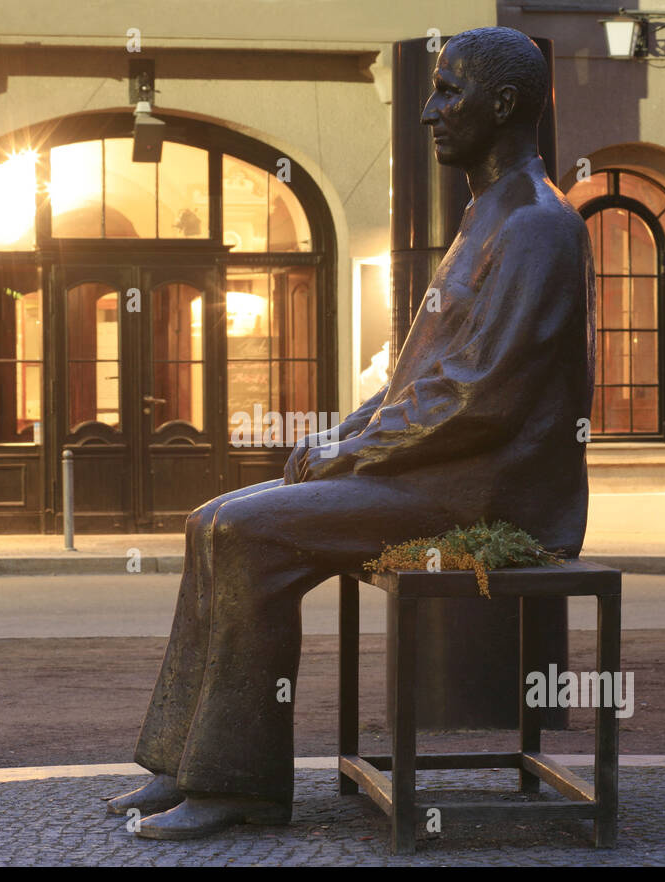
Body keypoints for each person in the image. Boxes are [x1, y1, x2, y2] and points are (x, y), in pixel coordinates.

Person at [107, 26, 595, 839]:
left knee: (245, 531)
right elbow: (427, 381)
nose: (432, 112)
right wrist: (348, 432)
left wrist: (352, 449)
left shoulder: (537, 225)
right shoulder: (490, 214)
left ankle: (240, 787)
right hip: (448, 468)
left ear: (504, 105)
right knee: (210, 519)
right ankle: (182, 764)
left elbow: (484, 398)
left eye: (449, 93)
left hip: (496, 491)